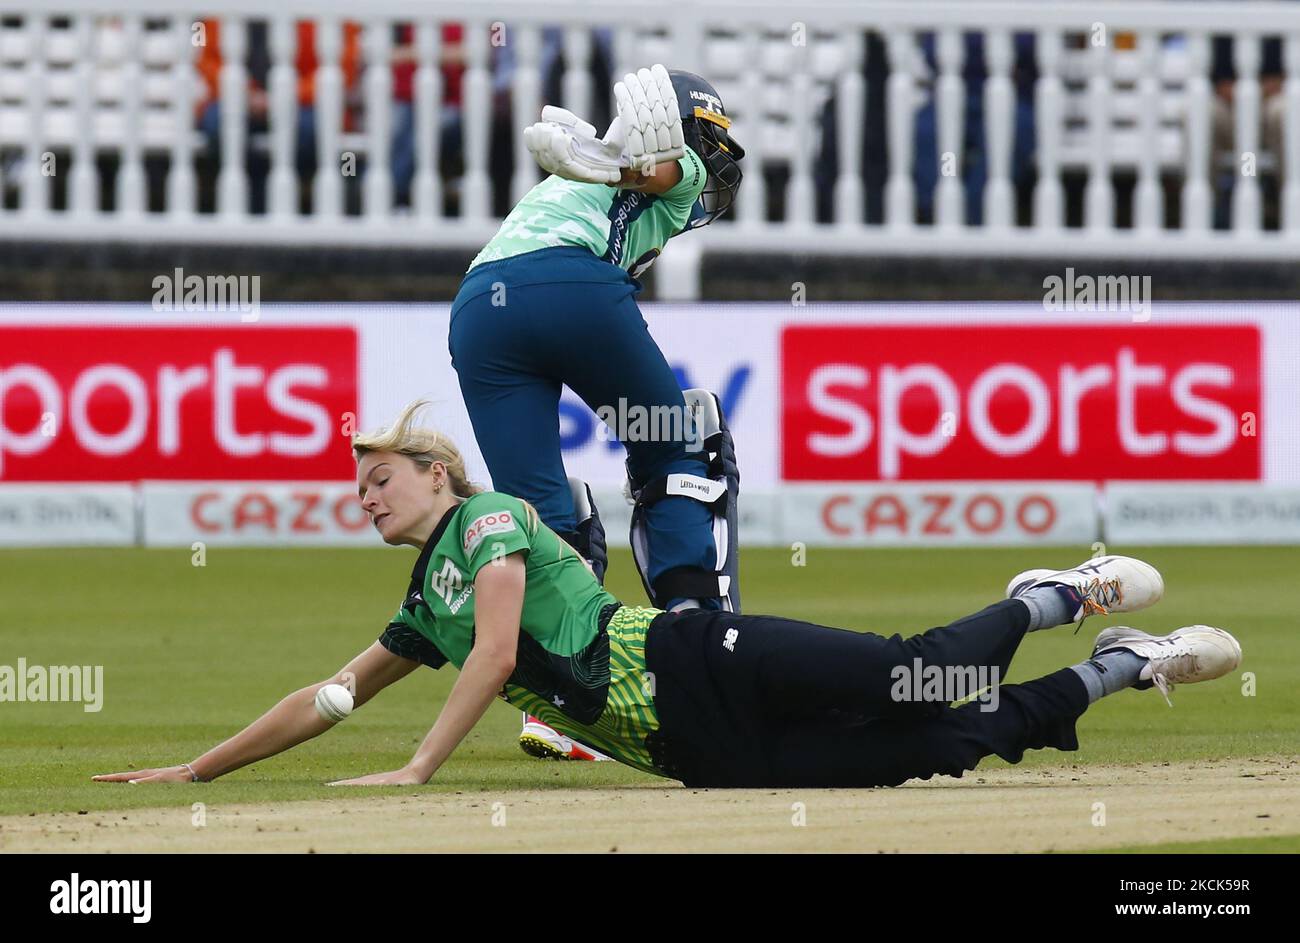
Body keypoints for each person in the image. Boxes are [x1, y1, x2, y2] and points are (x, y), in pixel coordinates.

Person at [92, 405, 1242, 790]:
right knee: (940, 746)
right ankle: (1116, 671)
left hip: (700, 655)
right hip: (698, 751)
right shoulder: (422, 603)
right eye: (356, 490)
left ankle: (1056, 596)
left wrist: (418, 766)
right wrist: (197, 768)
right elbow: (332, 695)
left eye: (378, 480)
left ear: (437, 476)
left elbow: (498, 657)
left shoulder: (488, 522)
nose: (364, 498)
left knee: (912, 672)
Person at [448, 63, 746, 759]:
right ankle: (701, 636)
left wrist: (601, 163)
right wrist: (616, 165)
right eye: (709, 135)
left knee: (539, 514)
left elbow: (642, 169)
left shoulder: (567, 180)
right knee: (681, 444)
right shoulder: (666, 176)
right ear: (673, 131)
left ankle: (565, 706)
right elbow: (669, 172)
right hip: (569, 284)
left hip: (478, 310)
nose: (715, 155)